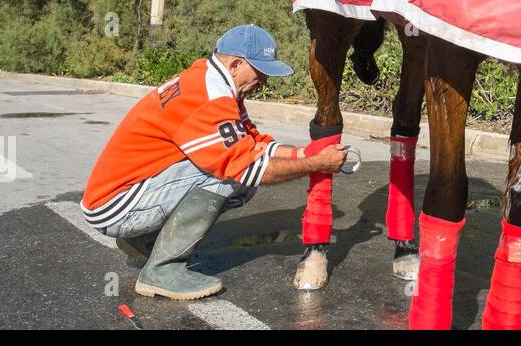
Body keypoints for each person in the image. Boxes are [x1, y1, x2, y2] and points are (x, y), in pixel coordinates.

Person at [80, 24, 348, 300]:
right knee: (232, 176)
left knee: (231, 168)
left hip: (121, 195)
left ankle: (143, 240)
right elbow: (249, 168)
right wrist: (316, 164)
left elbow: (254, 142)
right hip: (116, 206)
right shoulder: (211, 98)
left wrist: (303, 154)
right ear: (235, 64)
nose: (264, 82)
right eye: (261, 72)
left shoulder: (210, 79)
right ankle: (162, 271)